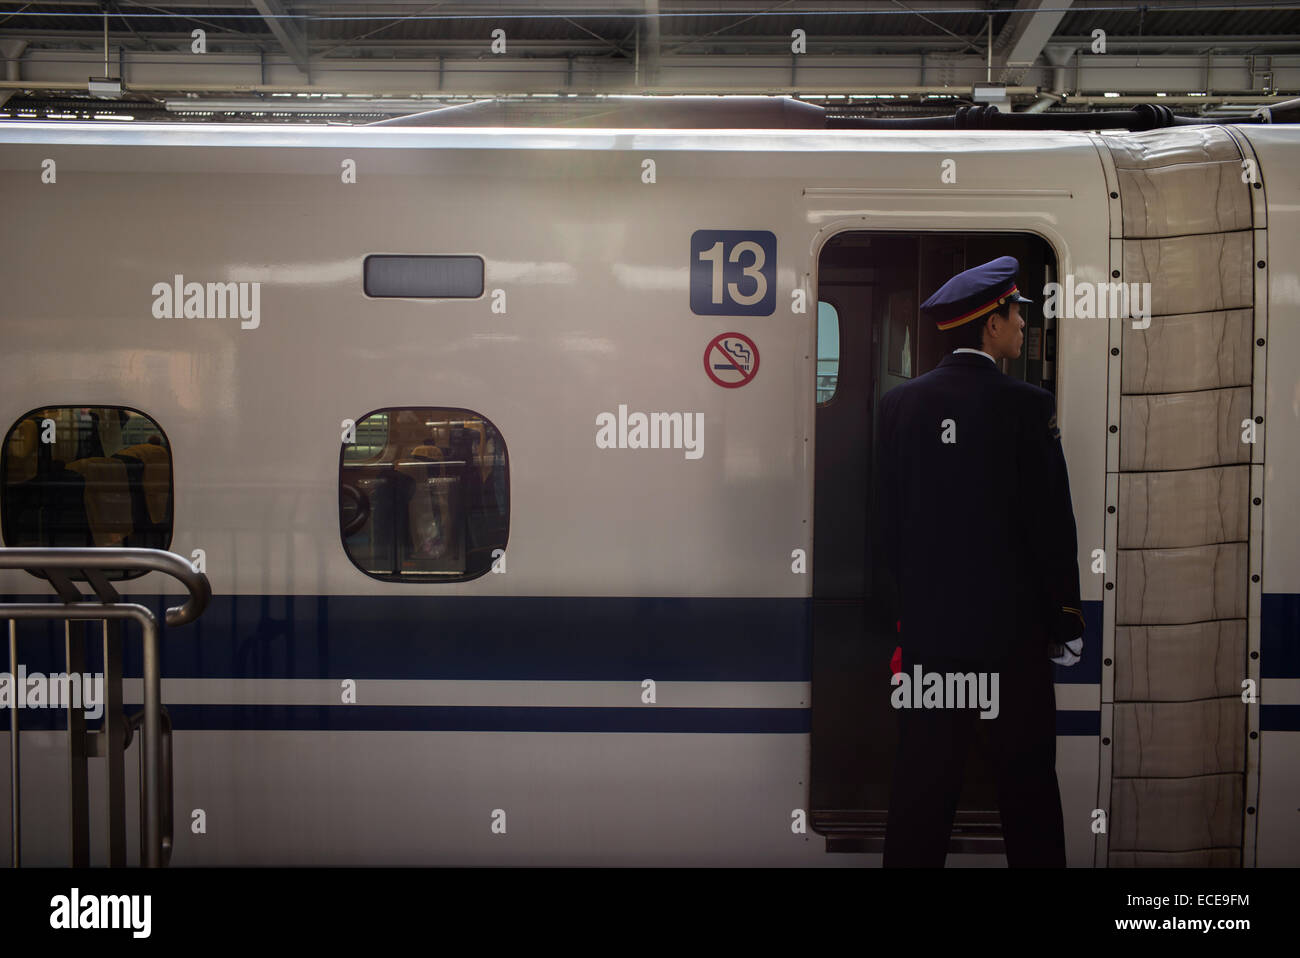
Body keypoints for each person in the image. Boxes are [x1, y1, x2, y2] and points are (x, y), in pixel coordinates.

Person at [874, 255, 1084, 868]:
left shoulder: (900, 405)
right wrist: (1065, 620)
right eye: (1017, 313)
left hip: (933, 642)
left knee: (922, 788)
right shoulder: (1029, 406)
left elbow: (887, 527)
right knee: (1028, 789)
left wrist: (906, 618)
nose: (1023, 324)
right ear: (992, 324)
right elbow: (1052, 527)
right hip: (1012, 645)